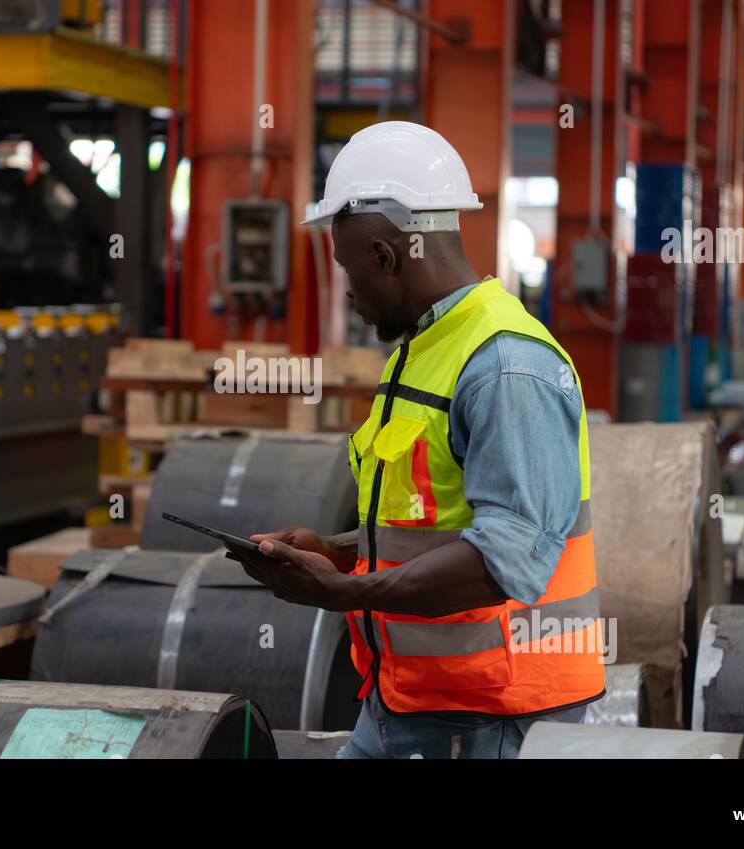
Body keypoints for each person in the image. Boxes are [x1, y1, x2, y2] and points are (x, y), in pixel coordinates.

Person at [228, 121, 605, 759]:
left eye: (350, 269)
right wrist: (339, 551)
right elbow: (433, 529)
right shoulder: (425, 350)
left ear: (387, 255)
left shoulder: (506, 366)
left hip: (494, 722)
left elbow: (503, 559)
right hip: (406, 706)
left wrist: (342, 593)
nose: (348, 293)